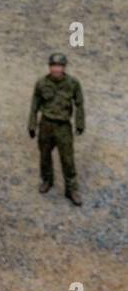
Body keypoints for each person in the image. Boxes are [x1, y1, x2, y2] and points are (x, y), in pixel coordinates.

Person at [28, 52, 85, 206]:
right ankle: (47, 180)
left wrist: (80, 123)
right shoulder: (41, 84)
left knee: (68, 159)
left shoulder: (73, 83)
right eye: (54, 66)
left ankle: (71, 189)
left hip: (63, 126)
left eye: (59, 66)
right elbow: (34, 106)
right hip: (46, 124)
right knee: (45, 155)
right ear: (49, 67)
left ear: (64, 67)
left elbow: (79, 104)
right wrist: (32, 125)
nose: (56, 69)